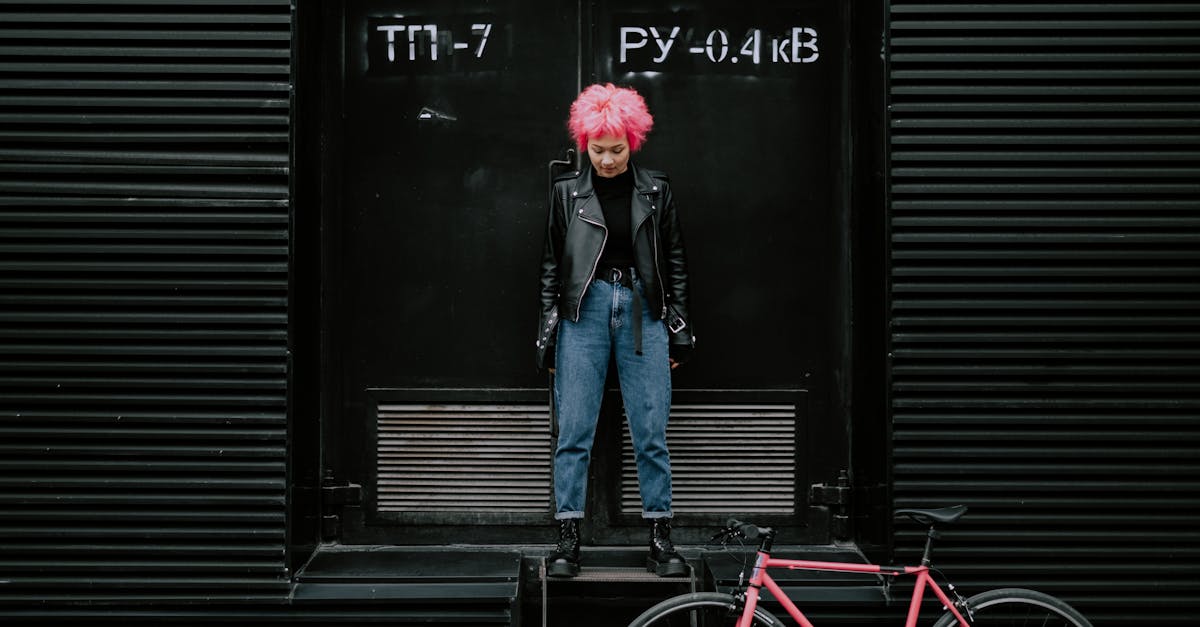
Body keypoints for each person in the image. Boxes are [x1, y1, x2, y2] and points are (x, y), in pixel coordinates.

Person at [536, 83, 695, 578]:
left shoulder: (657, 190)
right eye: (598, 150)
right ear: (585, 142)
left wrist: (680, 328)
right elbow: (551, 265)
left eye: (616, 149)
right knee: (575, 430)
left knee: (651, 430)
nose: (606, 160)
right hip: (583, 312)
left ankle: (660, 540)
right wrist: (548, 330)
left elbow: (674, 261)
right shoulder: (568, 193)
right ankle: (567, 542)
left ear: (633, 140)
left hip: (644, 313)